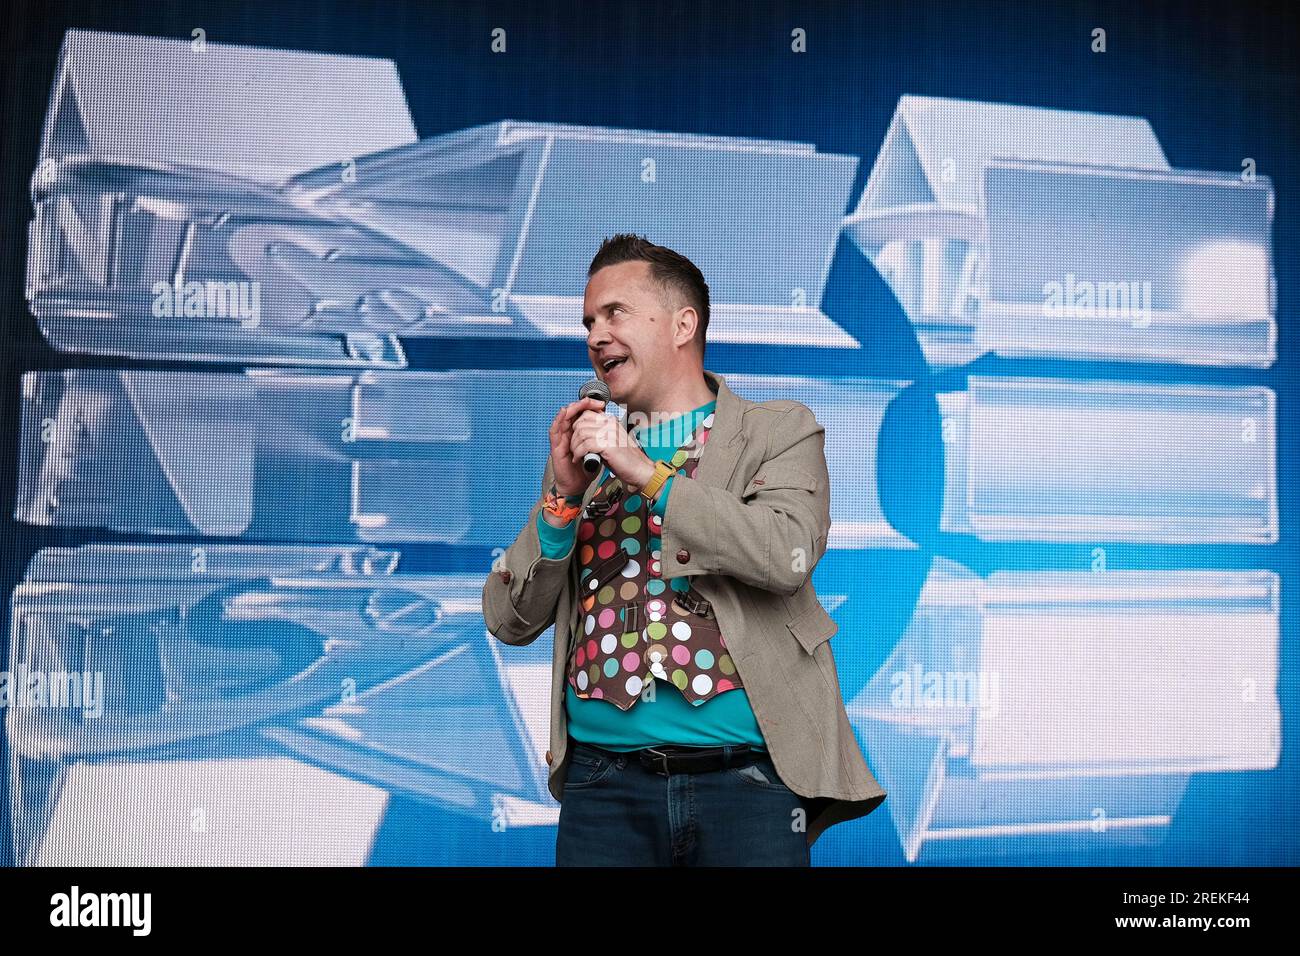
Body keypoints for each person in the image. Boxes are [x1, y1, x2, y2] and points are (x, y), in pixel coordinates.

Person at [482, 233, 886, 865]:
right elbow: (508, 621)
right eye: (588, 321)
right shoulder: (585, 460)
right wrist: (560, 503)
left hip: (746, 788)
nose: (595, 335)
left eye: (614, 313)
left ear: (682, 323)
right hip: (602, 790)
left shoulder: (776, 431)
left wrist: (646, 473)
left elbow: (787, 554)